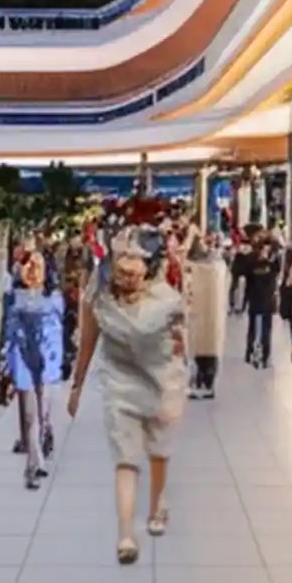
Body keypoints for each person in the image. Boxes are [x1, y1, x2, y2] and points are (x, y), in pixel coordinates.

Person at [67, 226, 188, 565]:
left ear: (147, 272)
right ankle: (125, 534)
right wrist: (76, 386)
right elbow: (88, 340)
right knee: (125, 457)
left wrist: (179, 381)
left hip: (161, 382)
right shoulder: (99, 297)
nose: (127, 279)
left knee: (159, 451)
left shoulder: (167, 299)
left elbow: (180, 345)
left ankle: (158, 503)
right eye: (121, 272)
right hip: (119, 383)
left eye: (134, 274)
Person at [0, 247, 64, 490]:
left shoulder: (54, 297)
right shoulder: (13, 296)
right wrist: (2, 362)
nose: (32, 270)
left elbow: (63, 329)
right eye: (27, 264)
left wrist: (66, 358)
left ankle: (45, 435)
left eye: (38, 264)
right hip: (21, 355)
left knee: (43, 412)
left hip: (48, 358)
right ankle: (33, 464)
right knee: (30, 414)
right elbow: (5, 330)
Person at [184, 229, 226, 399]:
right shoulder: (218, 265)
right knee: (209, 348)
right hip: (212, 321)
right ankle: (206, 382)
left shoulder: (196, 267)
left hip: (199, 319)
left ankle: (201, 381)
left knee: (200, 348)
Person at [244, 238, 279, 369]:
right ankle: (250, 351)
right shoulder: (252, 262)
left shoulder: (272, 263)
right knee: (253, 327)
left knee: (266, 329)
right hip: (256, 298)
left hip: (267, 299)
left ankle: (265, 354)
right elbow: (248, 279)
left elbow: (276, 273)